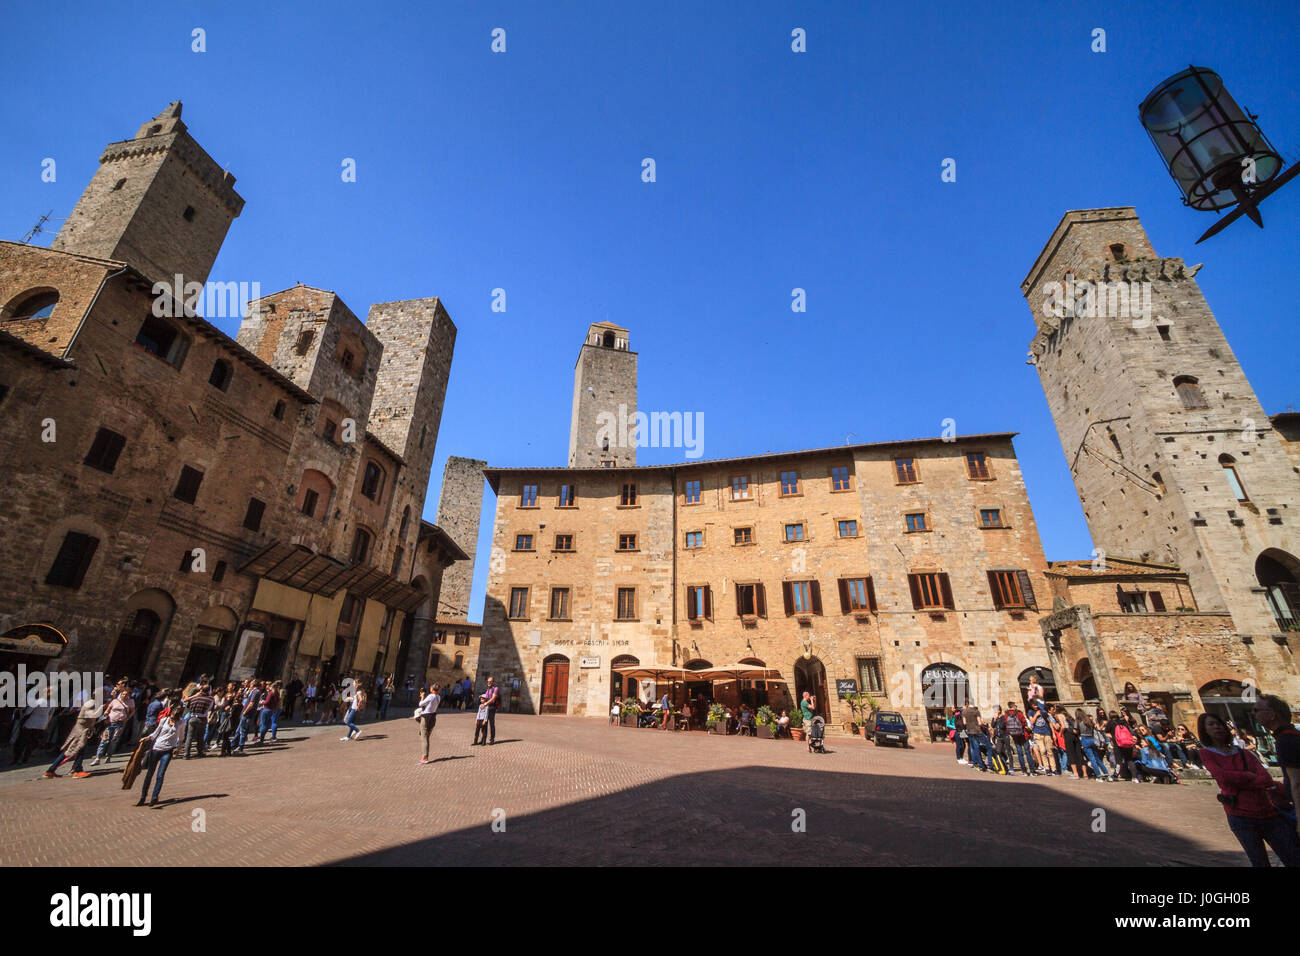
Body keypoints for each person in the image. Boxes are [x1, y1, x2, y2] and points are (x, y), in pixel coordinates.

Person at [1198, 711, 1299, 866]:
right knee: (1259, 861)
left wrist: (1241, 778)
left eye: (1219, 724)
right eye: (1211, 724)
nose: (1217, 727)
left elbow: (1265, 778)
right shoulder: (1206, 753)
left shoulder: (1243, 752)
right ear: (1204, 730)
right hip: (1240, 815)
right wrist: (1251, 776)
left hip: (1267, 812)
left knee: (1292, 857)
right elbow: (1222, 777)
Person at [1253, 695, 1299, 843]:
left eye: (1257, 710)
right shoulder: (1292, 737)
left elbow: (1297, 782)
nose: (1254, 714)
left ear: (1272, 715)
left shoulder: (1285, 741)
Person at [44, 695, 104, 778]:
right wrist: (102, 708)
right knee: (75, 750)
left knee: (74, 750)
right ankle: (76, 771)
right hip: (80, 731)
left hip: (83, 730)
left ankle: (51, 770)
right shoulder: (90, 703)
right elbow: (92, 716)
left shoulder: (94, 704)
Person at [135, 703, 180, 807]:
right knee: (150, 773)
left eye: (176, 718)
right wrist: (147, 738)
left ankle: (154, 797)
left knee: (160, 774)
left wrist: (178, 748)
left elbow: (180, 737)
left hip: (168, 750)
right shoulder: (164, 720)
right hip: (156, 748)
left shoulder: (181, 723)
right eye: (172, 716)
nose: (173, 719)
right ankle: (143, 797)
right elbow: (156, 732)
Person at [89, 688, 136, 766]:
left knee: (114, 740)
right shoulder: (114, 701)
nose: (124, 696)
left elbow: (133, 711)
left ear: (128, 695)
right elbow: (108, 709)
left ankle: (109, 756)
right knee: (104, 740)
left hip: (120, 723)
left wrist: (127, 718)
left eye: (126, 694)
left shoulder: (130, 702)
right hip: (110, 722)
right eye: (123, 694)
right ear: (120, 694)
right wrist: (106, 716)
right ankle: (97, 758)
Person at [1076, 710, 1112, 781]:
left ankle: (1098, 776)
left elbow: (1076, 731)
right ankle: (1107, 774)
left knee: (1092, 759)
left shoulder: (1079, 723)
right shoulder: (1090, 722)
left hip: (1085, 740)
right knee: (1098, 758)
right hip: (1092, 739)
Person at [181, 683, 213, 758]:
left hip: (192, 717)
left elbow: (189, 705)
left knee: (189, 736)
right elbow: (210, 708)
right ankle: (199, 752)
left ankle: (186, 754)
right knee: (200, 736)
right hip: (202, 718)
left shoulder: (194, 698)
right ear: (208, 691)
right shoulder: (210, 699)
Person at [1003, 701, 1035, 775]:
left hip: (1014, 736)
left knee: (1019, 752)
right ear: (1014, 706)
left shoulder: (1006, 715)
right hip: (1023, 735)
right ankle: (1032, 770)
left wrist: (1010, 733)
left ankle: (1024, 771)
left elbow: (1005, 725)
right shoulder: (1018, 713)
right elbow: (1024, 723)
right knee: (1027, 752)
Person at [1028, 698, 1057, 774]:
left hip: (1047, 732)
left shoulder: (1043, 711)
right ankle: (1047, 768)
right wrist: (1036, 715)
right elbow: (1032, 722)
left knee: (1050, 751)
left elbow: (1049, 721)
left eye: (1036, 704)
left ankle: (1054, 769)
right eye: (1034, 705)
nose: (1036, 706)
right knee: (1043, 751)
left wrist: (1053, 733)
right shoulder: (1030, 712)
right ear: (1031, 705)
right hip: (1038, 733)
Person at [415, 683, 440, 764]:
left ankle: (424, 757)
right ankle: (425, 756)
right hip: (433, 717)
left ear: (432, 689)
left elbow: (420, 704)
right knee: (426, 736)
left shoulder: (430, 696)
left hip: (426, 717)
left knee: (424, 738)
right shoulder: (438, 697)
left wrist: (422, 697)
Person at [963, 702, 988, 771]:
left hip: (969, 731)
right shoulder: (976, 711)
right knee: (982, 747)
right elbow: (980, 723)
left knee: (973, 748)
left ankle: (975, 763)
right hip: (977, 731)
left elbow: (964, 723)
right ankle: (981, 765)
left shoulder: (965, 712)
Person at [481, 677, 500, 744]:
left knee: (491, 723)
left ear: (493, 682)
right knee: (484, 723)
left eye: (490, 681)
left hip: (492, 707)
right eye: (488, 681)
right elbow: (486, 696)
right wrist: (481, 696)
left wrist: (485, 703)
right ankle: (483, 739)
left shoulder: (495, 688)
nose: (489, 682)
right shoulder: (487, 689)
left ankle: (492, 739)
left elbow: (493, 698)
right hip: (486, 707)